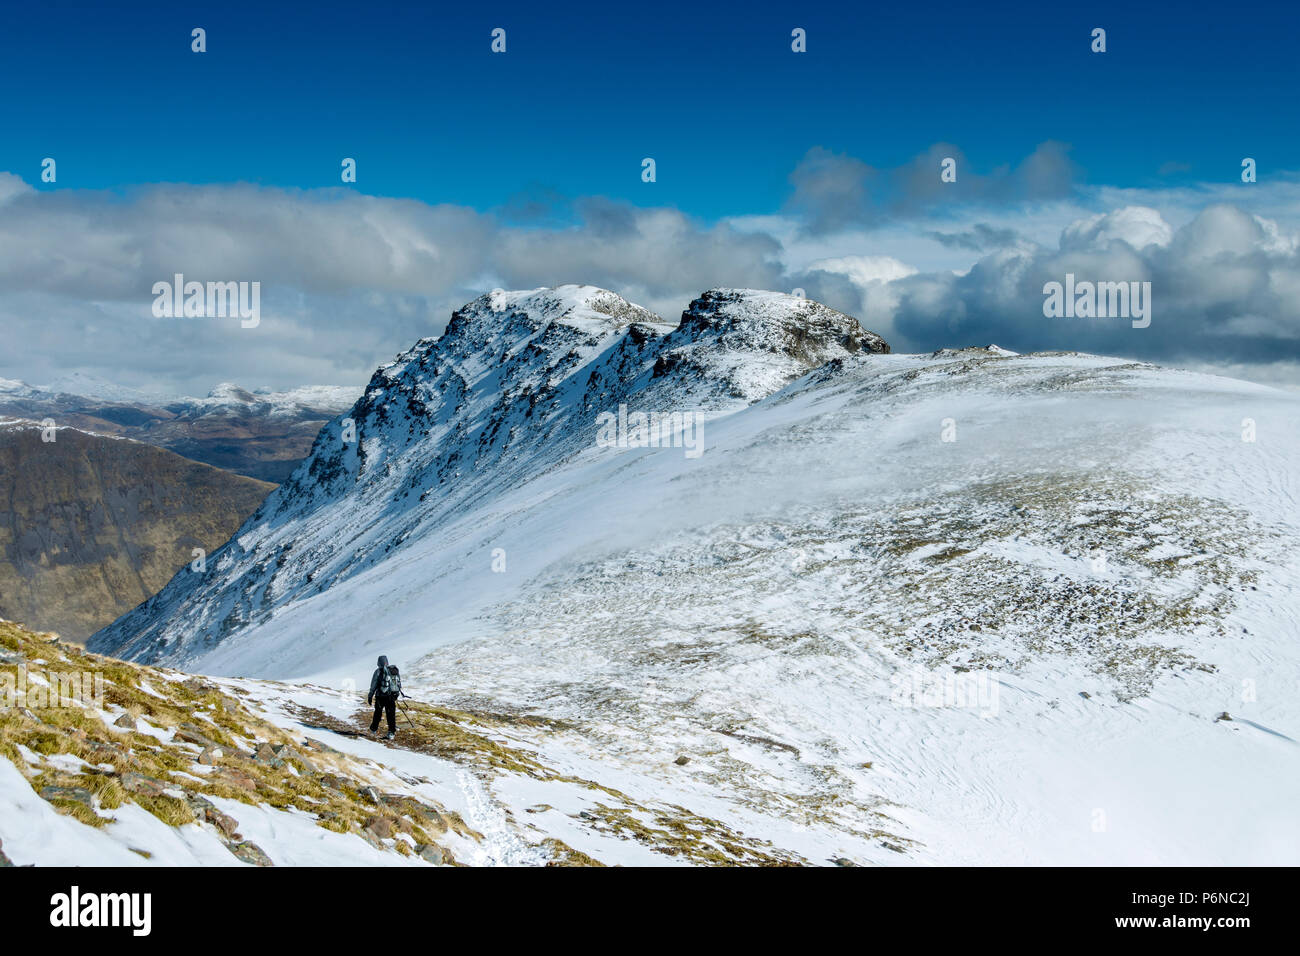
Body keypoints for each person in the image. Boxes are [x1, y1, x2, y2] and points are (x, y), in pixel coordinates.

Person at [367, 655, 401, 740]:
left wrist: (370, 695)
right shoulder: (393, 671)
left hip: (380, 696)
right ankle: (391, 732)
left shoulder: (378, 671)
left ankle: (373, 729)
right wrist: (396, 694)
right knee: (391, 715)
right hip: (391, 696)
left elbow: (373, 684)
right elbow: (399, 683)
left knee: (378, 713)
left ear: (379, 662)